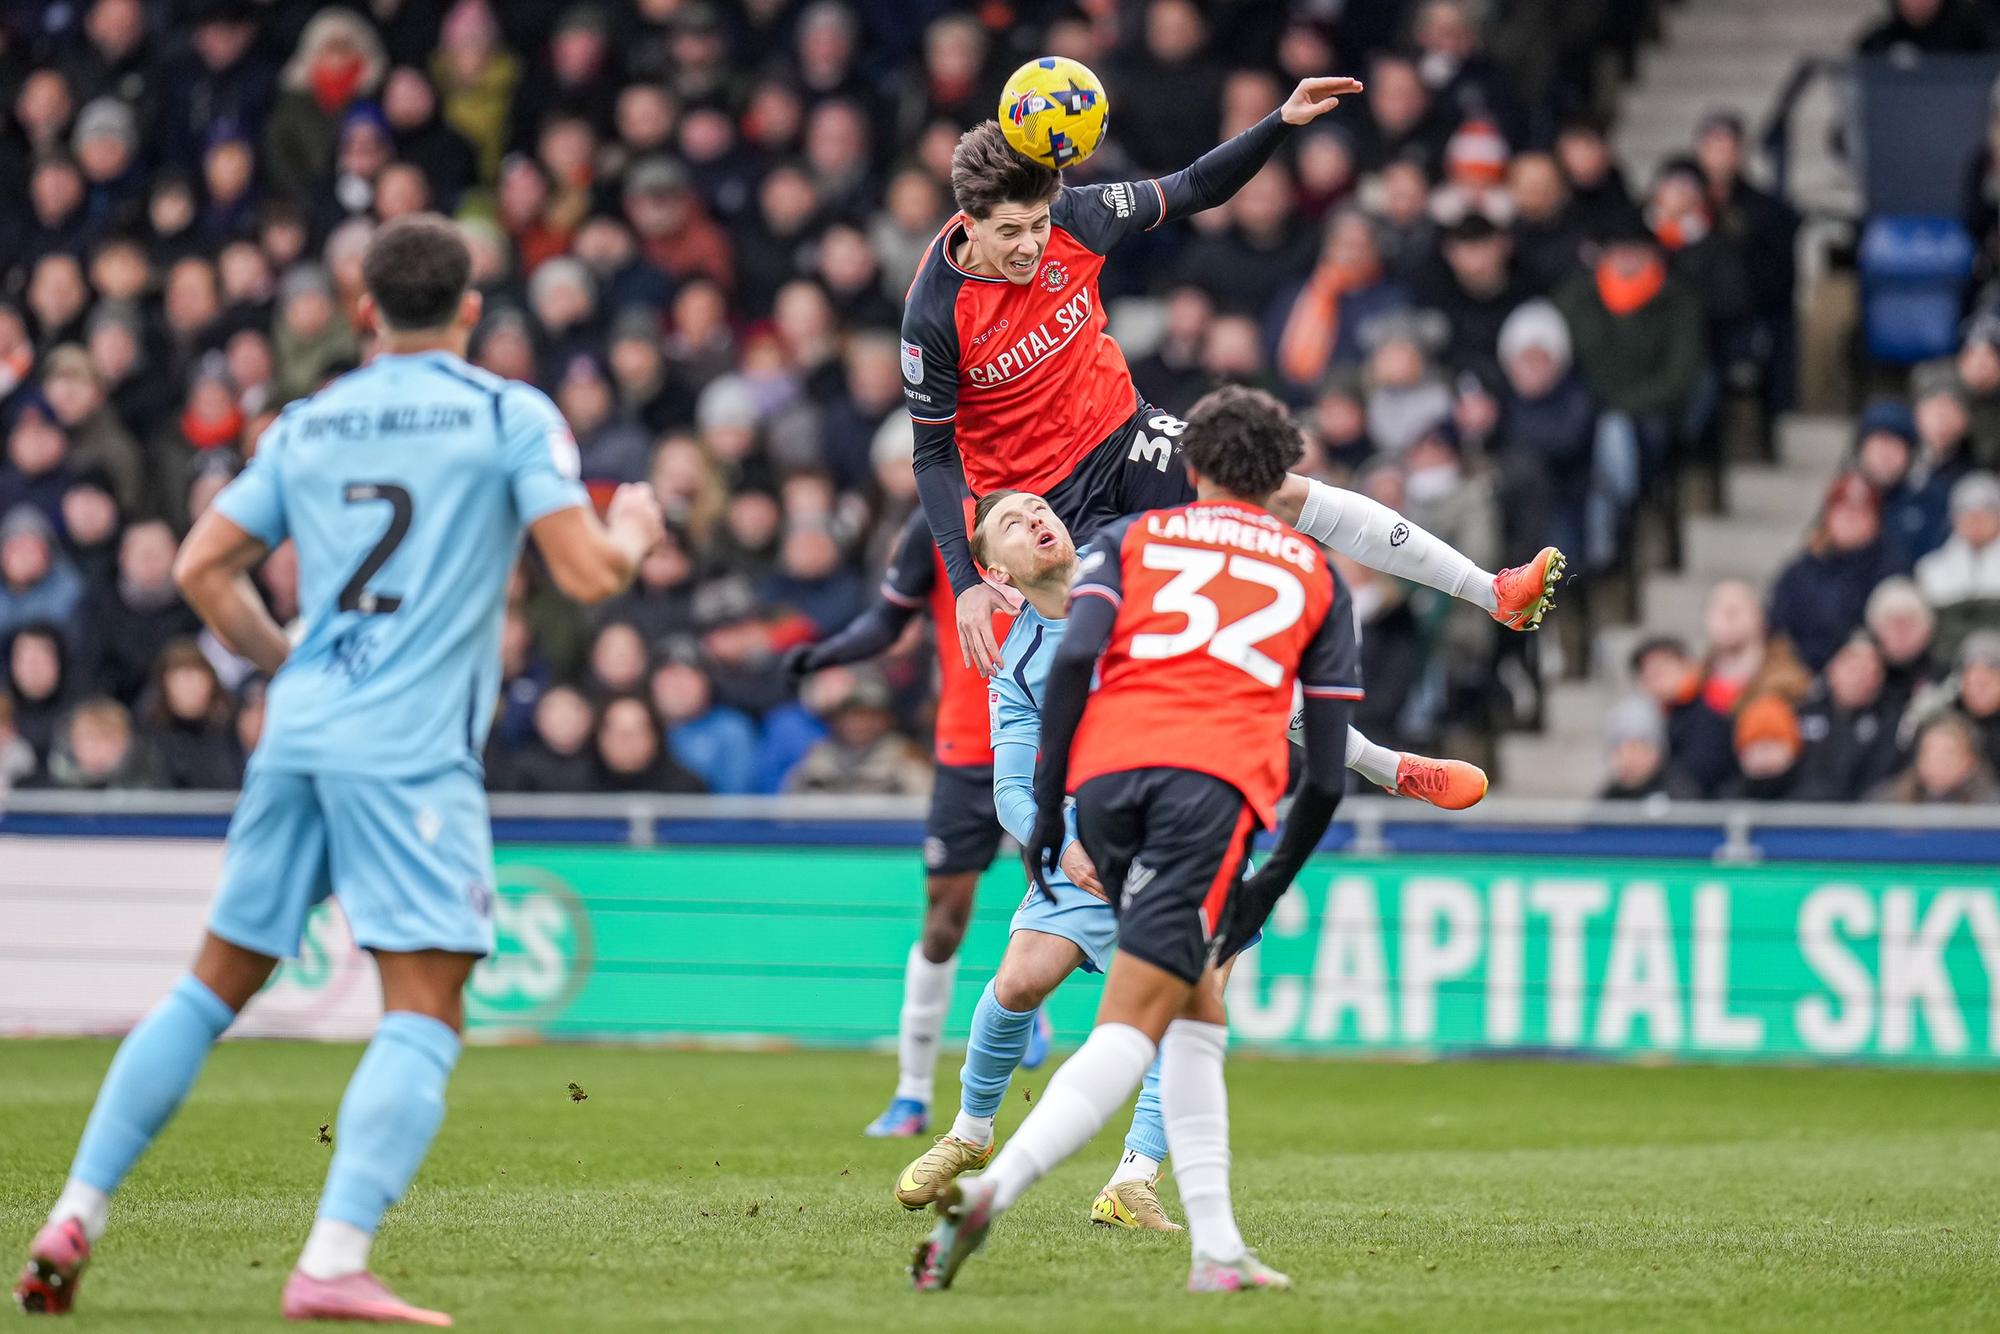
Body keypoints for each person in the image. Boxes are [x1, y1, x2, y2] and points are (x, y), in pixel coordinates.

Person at [13, 214, 666, 1323]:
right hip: (408, 750)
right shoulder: (507, 412)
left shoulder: (307, 422)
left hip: (304, 725)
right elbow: (587, 571)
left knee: (210, 984)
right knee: (424, 1007)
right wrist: (639, 529)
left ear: (364, 311)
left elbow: (201, 565)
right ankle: (331, 1257)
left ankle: (77, 1204)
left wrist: (291, 663)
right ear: (468, 312)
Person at [912, 386, 1363, 1295]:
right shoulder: (1314, 574)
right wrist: (1272, 878)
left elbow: (1075, 662)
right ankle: (993, 1189)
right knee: (1145, 1022)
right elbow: (1322, 754)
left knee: (1195, 1016)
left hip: (1112, 787)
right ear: (1282, 478)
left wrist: (1051, 817)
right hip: (1206, 798)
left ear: (1187, 468)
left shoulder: (1133, 540)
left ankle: (1213, 1246)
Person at [902, 82, 1565, 688]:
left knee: (1276, 488)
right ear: (969, 219)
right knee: (1171, 643)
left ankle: (1491, 590)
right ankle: (1376, 768)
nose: (1029, 247)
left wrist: (1279, 121)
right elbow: (933, 456)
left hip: (1122, 433)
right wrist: (964, 581)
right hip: (1042, 500)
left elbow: (1194, 187)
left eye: (1038, 225)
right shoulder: (935, 314)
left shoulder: (1078, 215)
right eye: (1009, 232)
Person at [780, 500, 1017, 1139]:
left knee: (1069, 889)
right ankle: (912, 1094)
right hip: (968, 748)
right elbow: (890, 621)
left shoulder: (1067, 500)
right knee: (943, 919)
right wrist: (826, 654)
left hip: (1060, 743)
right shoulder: (939, 522)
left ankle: (1032, 1010)